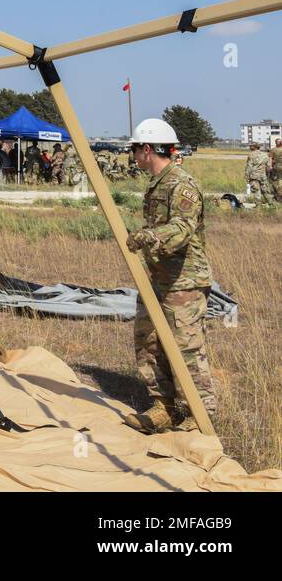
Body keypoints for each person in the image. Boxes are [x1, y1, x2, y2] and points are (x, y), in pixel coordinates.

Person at [121, 118, 217, 434]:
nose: (133, 156)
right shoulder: (158, 182)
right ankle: (163, 407)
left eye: (135, 150)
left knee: (186, 349)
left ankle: (197, 418)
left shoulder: (181, 185)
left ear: (147, 149)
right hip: (158, 278)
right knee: (148, 342)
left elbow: (182, 228)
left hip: (183, 283)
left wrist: (149, 236)